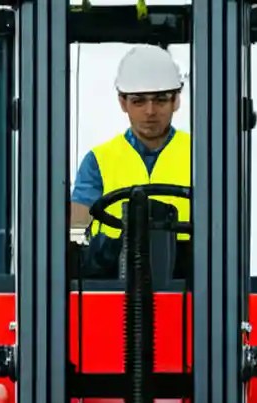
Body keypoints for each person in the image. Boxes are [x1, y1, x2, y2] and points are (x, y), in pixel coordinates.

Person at [70, 44, 191, 278]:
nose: (150, 111)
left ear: (176, 100)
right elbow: (75, 232)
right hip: (112, 283)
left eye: (161, 100)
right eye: (138, 101)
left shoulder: (203, 156)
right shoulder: (98, 161)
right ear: (122, 102)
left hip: (192, 288)